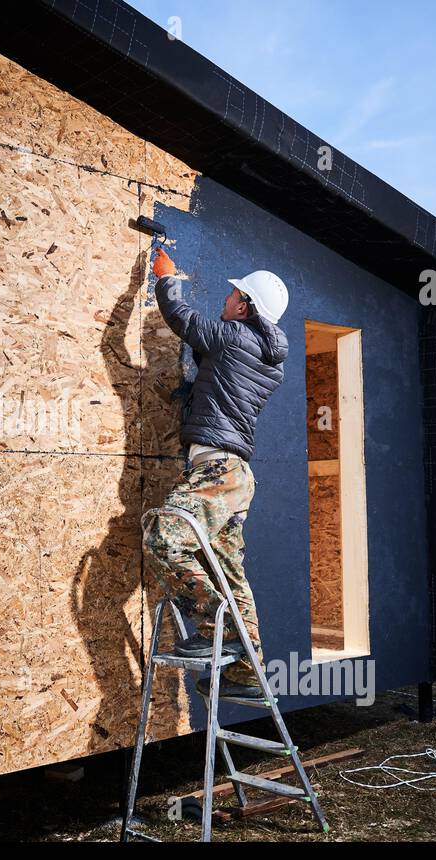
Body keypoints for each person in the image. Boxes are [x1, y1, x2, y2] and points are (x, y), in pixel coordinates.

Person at [143, 245, 290, 701]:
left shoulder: (233, 337)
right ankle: (248, 674)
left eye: (232, 295)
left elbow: (182, 317)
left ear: (244, 307)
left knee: (162, 535)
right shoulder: (265, 356)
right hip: (236, 475)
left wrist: (166, 277)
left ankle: (215, 629)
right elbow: (222, 384)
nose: (225, 299)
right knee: (228, 570)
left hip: (218, 470)